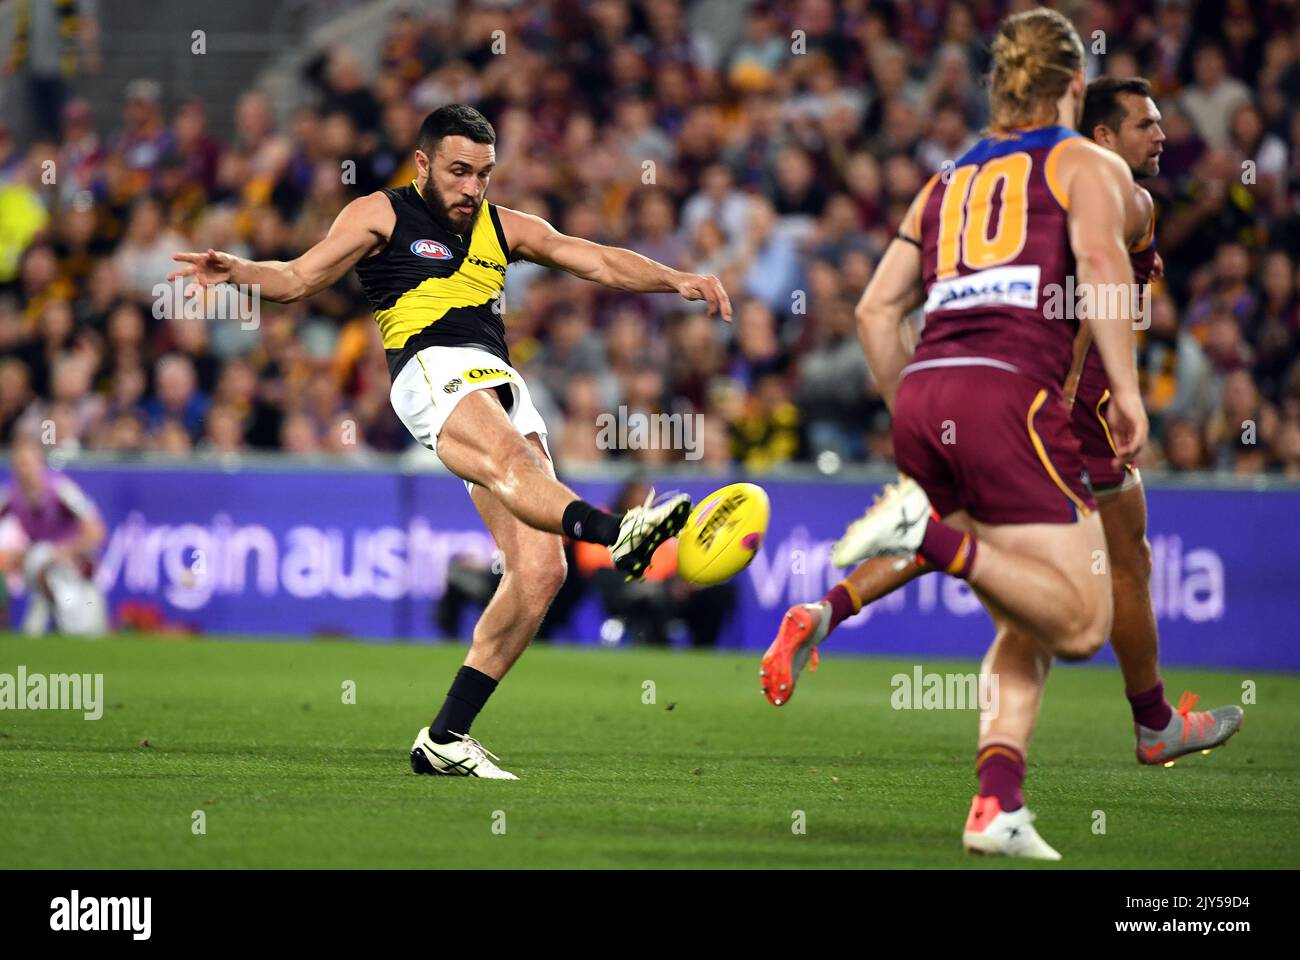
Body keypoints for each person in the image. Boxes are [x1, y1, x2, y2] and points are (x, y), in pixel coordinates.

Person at [170, 104, 732, 779]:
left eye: (485, 174)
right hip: (429, 368)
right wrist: (242, 271)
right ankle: (618, 534)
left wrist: (677, 278)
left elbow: (599, 261)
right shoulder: (379, 213)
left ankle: (445, 738)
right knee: (516, 465)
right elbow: (300, 277)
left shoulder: (505, 227)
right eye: (461, 171)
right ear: (424, 164)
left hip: (498, 382)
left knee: (541, 571)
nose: (473, 187)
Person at [763, 74, 1244, 768]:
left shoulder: (1005, 186)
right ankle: (1148, 725)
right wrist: (1086, 390)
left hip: (979, 390)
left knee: (978, 539)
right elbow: (1084, 300)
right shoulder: (1111, 195)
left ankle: (827, 609)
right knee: (1108, 577)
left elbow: (885, 308)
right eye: (1145, 124)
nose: (1162, 135)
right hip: (1068, 409)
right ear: (1102, 135)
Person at [767, 8, 1147, 860]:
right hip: (1012, 394)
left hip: (928, 388)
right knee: (1085, 623)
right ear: (1074, 86)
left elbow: (873, 311)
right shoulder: (1082, 159)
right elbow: (1103, 261)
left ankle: (995, 804)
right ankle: (932, 540)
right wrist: (1125, 390)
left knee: (1027, 610)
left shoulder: (945, 178)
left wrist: (923, 409)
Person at [0, 435, 107, 636]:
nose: (24, 470)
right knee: (38, 555)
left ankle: (49, 615)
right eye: (19, 464)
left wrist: (66, 550)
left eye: (28, 463)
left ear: (39, 462)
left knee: (88, 631)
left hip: (75, 564)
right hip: (40, 564)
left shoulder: (60, 489)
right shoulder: (11, 495)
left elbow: (96, 530)